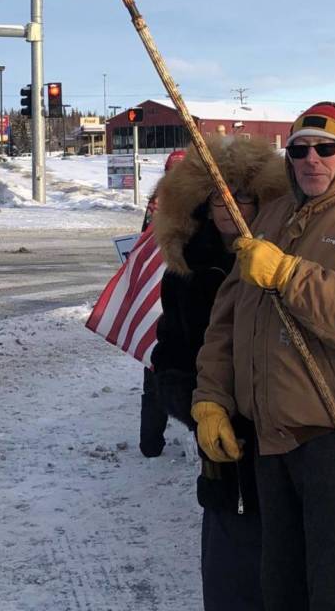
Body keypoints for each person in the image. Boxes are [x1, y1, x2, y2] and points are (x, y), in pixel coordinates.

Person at [193, 102, 335, 610]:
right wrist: (210, 398)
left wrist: (289, 276)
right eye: (299, 149)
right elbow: (228, 319)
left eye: (326, 149)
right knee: (284, 591)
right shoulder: (273, 218)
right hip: (273, 445)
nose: (311, 160)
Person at [150, 136, 288, 611]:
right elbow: (169, 355)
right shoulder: (185, 270)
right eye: (219, 195)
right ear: (204, 206)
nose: (232, 204)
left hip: (290, 435)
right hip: (227, 446)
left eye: (244, 195)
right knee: (233, 572)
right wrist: (197, 405)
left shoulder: (292, 256)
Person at [138, 148, 190, 458]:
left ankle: (150, 443)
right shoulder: (187, 204)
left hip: (160, 297)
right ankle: (155, 442)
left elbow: (143, 243)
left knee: (156, 368)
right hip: (170, 294)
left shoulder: (156, 203)